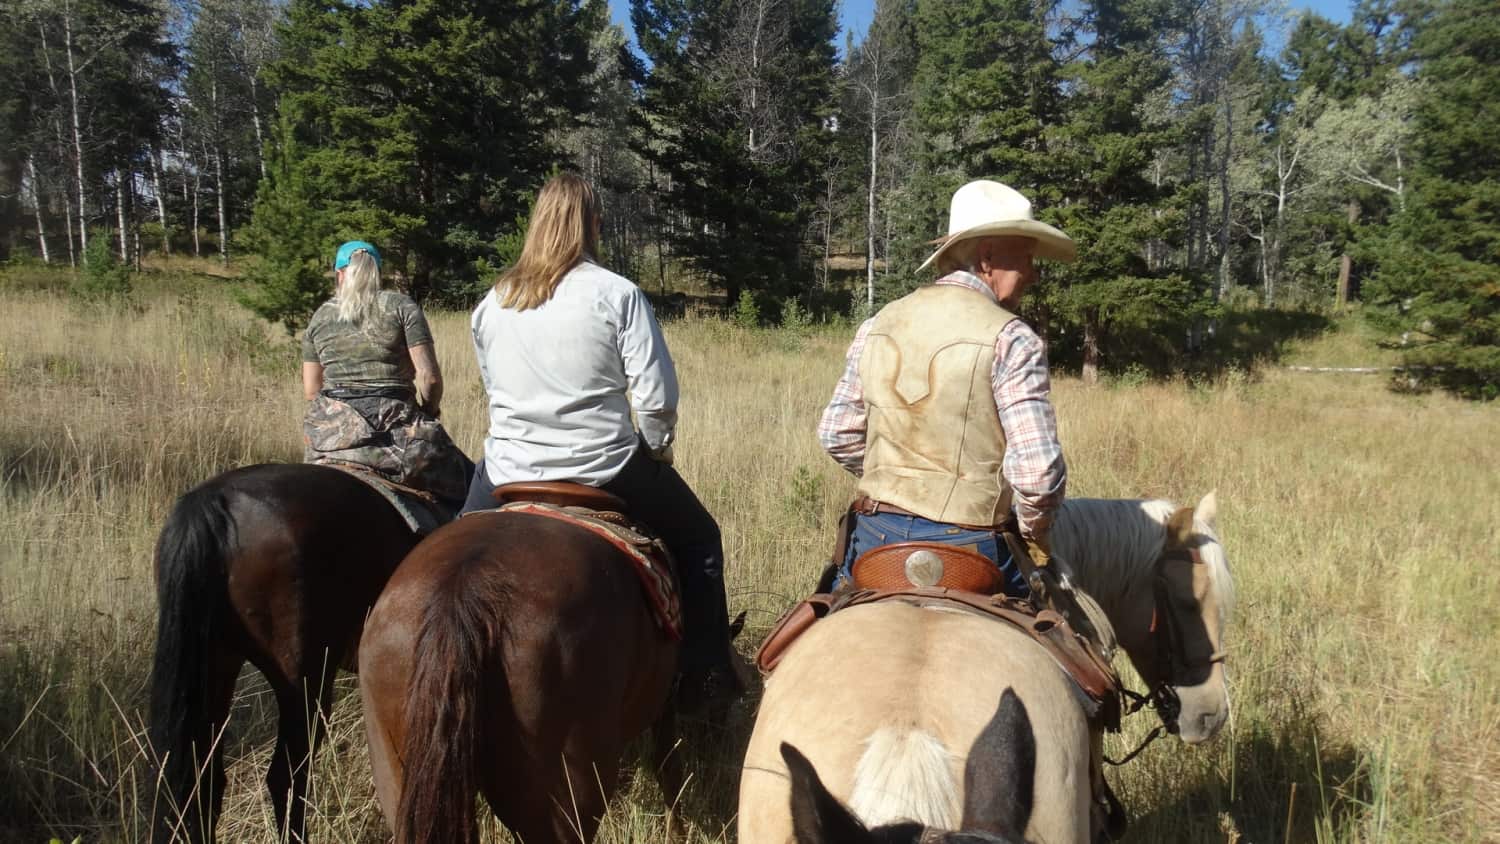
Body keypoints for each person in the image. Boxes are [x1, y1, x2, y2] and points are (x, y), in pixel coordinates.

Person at [464, 173, 737, 712]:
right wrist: (655, 449)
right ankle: (706, 678)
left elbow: (494, 389)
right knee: (700, 541)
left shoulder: (492, 303)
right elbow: (656, 397)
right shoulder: (617, 294)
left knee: (450, 550)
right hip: (603, 465)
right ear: (592, 224)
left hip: (507, 468)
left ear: (536, 223)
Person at [818, 180, 1074, 598]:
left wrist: (899, 478)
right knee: (1060, 629)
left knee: (818, 615)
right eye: (1025, 258)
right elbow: (1038, 475)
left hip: (876, 534)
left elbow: (837, 433)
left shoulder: (878, 323)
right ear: (987, 259)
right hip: (974, 546)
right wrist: (1033, 531)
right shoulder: (1012, 337)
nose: (1033, 273)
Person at [301, 240, 472, 510]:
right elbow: (430, 378)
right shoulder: (401, 306)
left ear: (340, 274)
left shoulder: (320, 317)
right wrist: (429, 411)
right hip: (398, 436)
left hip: (330, 438)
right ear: (377, 273)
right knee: (470, 491)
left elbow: (312, 390)